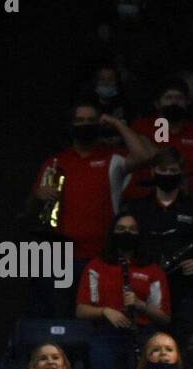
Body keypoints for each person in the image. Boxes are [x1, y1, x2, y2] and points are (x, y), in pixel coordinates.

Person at [26, 98, 155, 317]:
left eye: (90, 120)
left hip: (102, 257)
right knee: (60, 317)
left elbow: (145, 156)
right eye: (79, 120)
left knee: (100, 317)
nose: (84, 124)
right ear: (71, 126)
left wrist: (116, 123)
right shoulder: (55, 162)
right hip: (63, 256)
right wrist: (37, 196)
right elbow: (31, 211)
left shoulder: (113, 158)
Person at [74, 213, 171, 369]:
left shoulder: (152, 269)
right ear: (113, 233)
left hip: (143, 333)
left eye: (132, 230)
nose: (126, 233)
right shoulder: (97, 266)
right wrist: (105, 311)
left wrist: (141, 305)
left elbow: (164, 317)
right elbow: (80, 310)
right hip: (107, 333)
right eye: (121, 229)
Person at [123, 148, 193, 332]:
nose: (168, 175)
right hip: (145, 282)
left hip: (182, 285)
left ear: (180, 173)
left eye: (173, 171)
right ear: (153, 172)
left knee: (183, 333)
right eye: (163, 171)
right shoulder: (138, 208)